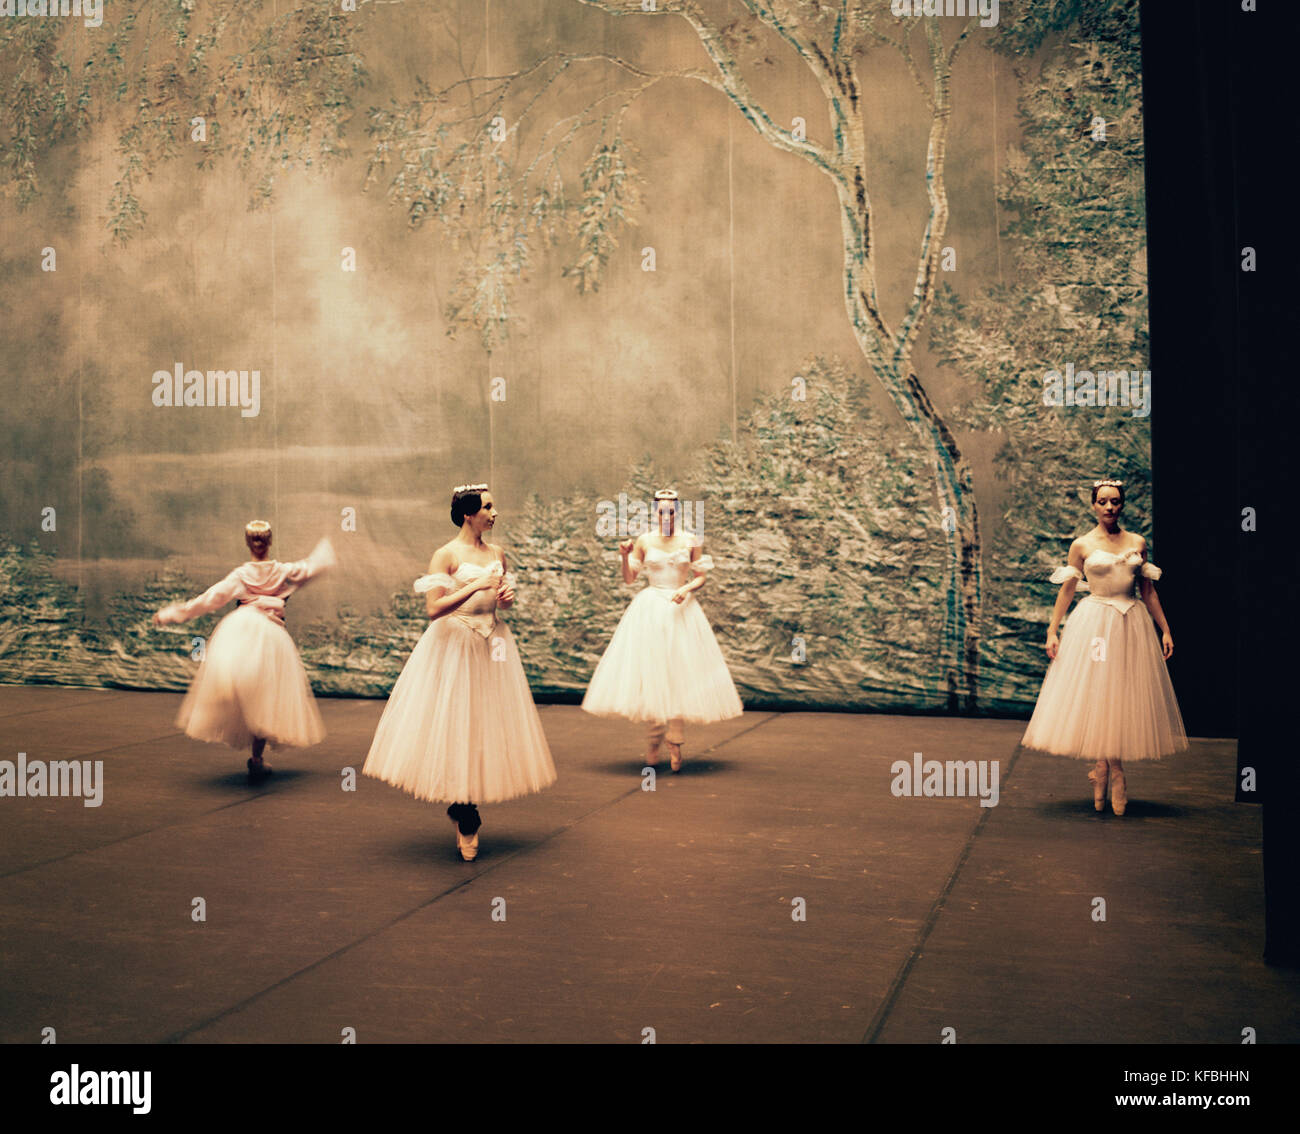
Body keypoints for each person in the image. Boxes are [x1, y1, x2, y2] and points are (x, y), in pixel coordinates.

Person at [362, 484, 556, 861]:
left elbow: (501, 595)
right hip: (456, 640)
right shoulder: (446, 555)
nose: (494, 512)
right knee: (456, 722)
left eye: (493, 506)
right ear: (469, 514)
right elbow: (434, 609)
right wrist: (475, 587)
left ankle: (467, 799)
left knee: (488, 720)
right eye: (487, 507)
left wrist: (504, 597)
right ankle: (464, 807)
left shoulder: (498, 553)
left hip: (494, 641)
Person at [1021, 479, 1188, 814]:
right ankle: (1106, 769)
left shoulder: (1137, 542)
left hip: (1130, 623)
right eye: (1103, 502)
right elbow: (1067, 589)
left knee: (1122, 691)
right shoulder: (1082, 545)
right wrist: (1053, 630)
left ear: (1122, 504)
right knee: (1100, 689)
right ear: (1094, 506)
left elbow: (1148, 591)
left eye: (1115, 501)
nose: (1110, 507)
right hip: (1096, 626)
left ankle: (1113, 771)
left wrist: (1165, 629)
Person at [152, 520, 335, 780]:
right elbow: (314, 566)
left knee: (241, 686)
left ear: (248, 543)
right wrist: (328, 545)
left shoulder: (241, 575)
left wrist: (172, 613)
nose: (259, 544)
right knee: (265, 696)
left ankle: (251, 745)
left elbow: (208, 600)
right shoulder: (284, 572)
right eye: (259, 540)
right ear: (268, 542)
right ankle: (257, 757)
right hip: (270, 637)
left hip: (240, 630)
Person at [582, 488, 743, 772]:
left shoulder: (690, 539)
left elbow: (701, 576)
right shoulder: (645, 541)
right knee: (653, 670)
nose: (667, 516)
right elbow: (631, 579)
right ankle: (654, 737)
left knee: (681, 669)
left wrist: (686, 588)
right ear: (654, 513)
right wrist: (624, 556)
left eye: (672, 511)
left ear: (678, 512)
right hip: (651, 608)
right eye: (661, 511)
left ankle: (676, 738)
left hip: (681, 608)